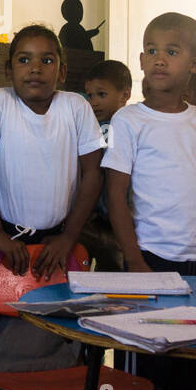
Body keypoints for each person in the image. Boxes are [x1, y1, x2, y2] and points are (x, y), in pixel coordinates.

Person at [0, 24, 104, 390]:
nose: (35, 69)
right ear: (9, 69)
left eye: (47, 60)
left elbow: (92, 176)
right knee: (0, 341)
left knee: (54, 343)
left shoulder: (76, 107)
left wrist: (68, 237)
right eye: (24, 59)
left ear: (61, 70)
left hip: (58, 245)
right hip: (8, 242)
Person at [103, 13, 196, 390]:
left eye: (172, 51)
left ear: (194, 63)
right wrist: (133, 259)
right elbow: (116, 195)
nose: (159, 58)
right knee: (146, 369)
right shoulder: (129, 120)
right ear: (139, 59)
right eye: (151, 49)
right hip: (148, 260)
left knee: (194, 371)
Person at [78, 59, 133, 272]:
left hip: (119, 221)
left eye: (101, 94)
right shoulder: (91, 126)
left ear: (125, 95)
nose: (93, 102)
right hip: (92, 218)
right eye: (90, 95)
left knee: (114, 274)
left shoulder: (129, 125)